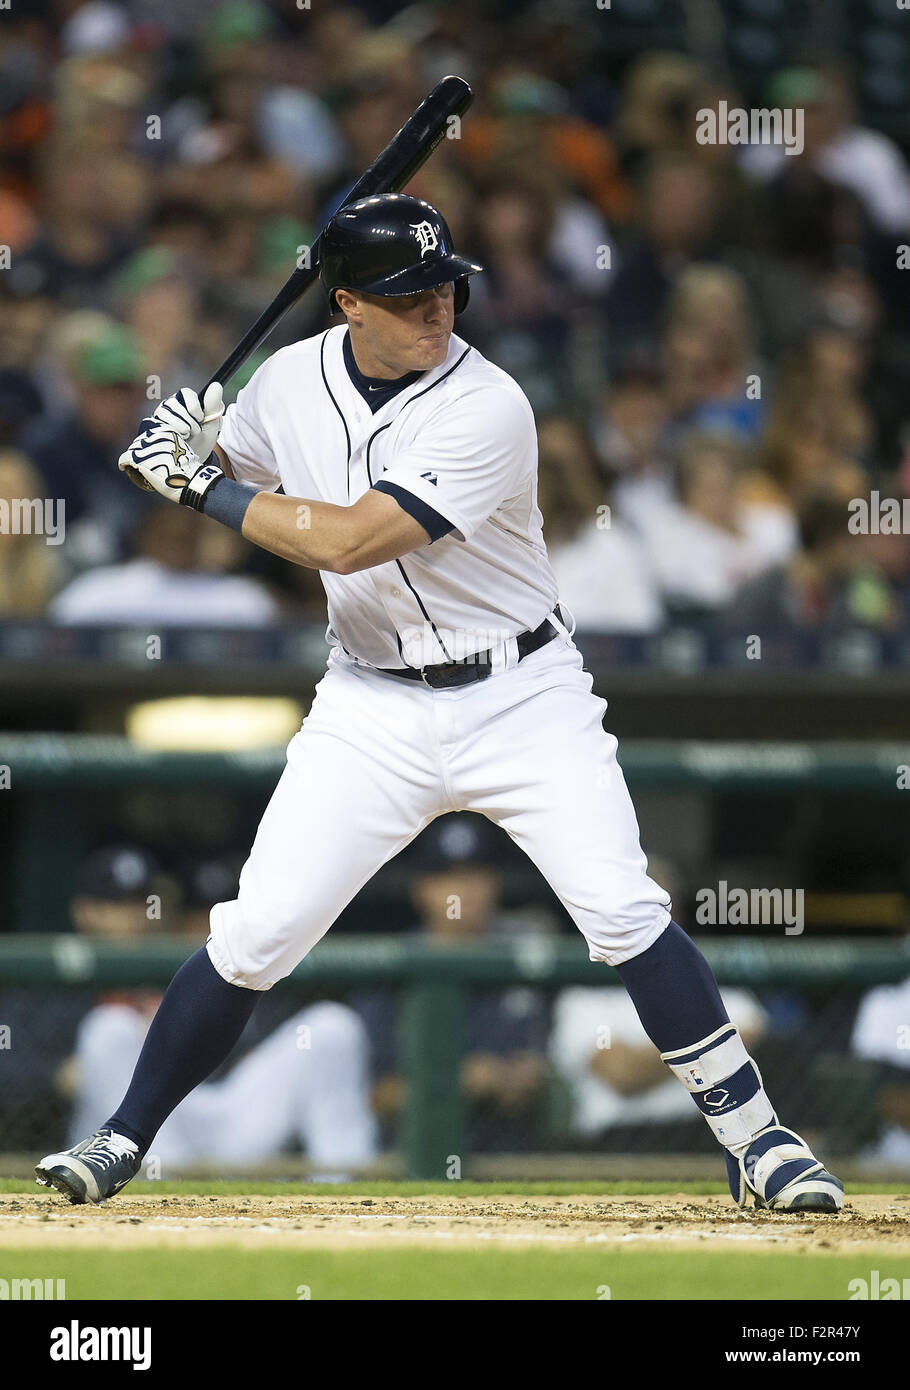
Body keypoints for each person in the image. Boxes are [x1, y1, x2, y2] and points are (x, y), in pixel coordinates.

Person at [37, 192, 842, 1213]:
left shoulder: (488, 403)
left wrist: (199, 487)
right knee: (258, 931)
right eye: (408, 296)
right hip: (370, 701)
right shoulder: (288, 381)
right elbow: (249, 474)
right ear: (347, 305)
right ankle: (121, 1138)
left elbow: (343, 538)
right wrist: (194, 443)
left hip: (519, 693)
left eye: (444, 289)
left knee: (622, 907)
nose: (436, 311)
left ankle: (758, 1139)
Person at [63, 846, 377, 1178]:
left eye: (218, 911)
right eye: (195, 913)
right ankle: (156, 1185)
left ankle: (342, 1188)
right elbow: (15, 1071)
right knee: (108, 1028)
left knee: (331, 1026)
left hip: (232, 1114)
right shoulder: (69, 977)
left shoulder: (250, 965)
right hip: (146, 1124)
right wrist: (54, 1075)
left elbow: (268, 1042)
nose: (205, 924)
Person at [354, 813, 551, 1153]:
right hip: (408, 1156)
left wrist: (524, 1078)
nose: (466, 891)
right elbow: (374, 1095)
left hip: (514, 1154)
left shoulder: (524, 958)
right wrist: (456, 1082)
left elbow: (544, 1062)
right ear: (421, 888)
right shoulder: (390, 967)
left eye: (477, 874)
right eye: (449, 877)